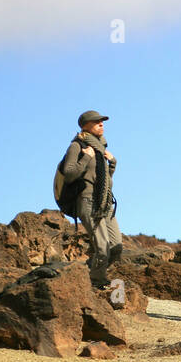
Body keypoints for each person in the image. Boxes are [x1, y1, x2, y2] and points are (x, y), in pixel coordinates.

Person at [60, 110, 122, 289]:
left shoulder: (101, 147)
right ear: (85, 126)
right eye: (97, 122)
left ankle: (88, 272)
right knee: (102, 247)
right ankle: (96, 281)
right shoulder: (77, 146)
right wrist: (86, 156)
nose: (102, 124)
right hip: (87, 202)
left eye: (102, 121)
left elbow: (105, 181)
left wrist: (112, 165)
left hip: (104, 203)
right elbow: (69, 174)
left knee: (116, 247)